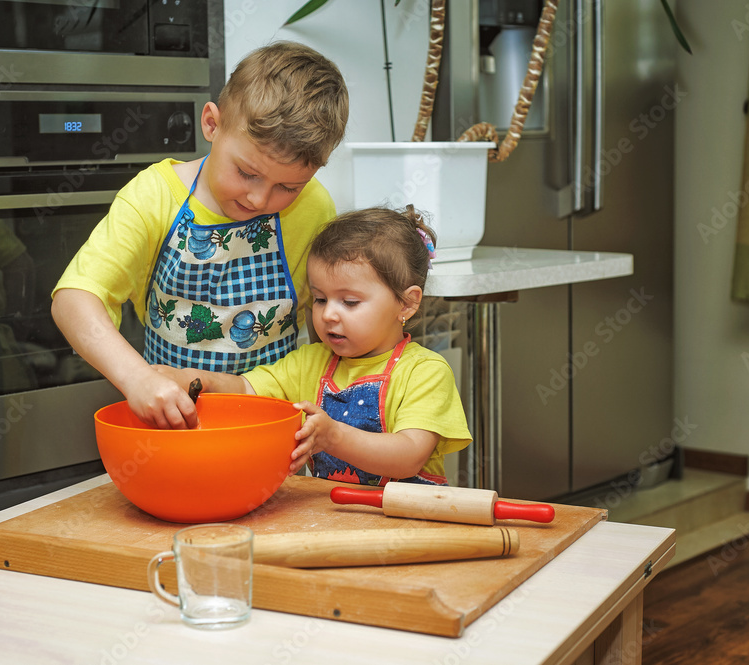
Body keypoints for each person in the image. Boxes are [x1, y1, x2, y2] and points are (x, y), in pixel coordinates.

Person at [51, 41, 349, 430]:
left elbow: (325, 323)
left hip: (272, 424)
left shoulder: (314, 207)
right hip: (174, 424)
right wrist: (137, 378)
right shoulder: (154, 197)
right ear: (212, 123)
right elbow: (74, 299)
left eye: (287, 188)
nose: (260, 199)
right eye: (247, 172)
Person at [156, 206, 472, 486]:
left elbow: (409, 456)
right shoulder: (310, 361)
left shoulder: (425, 372)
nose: (328, 314)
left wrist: (334, 437)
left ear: (407, 303)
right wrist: (201, 380)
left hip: (411, 525)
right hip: (337, 518)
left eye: (349, 302)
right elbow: (247, 389)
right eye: (320, 299)